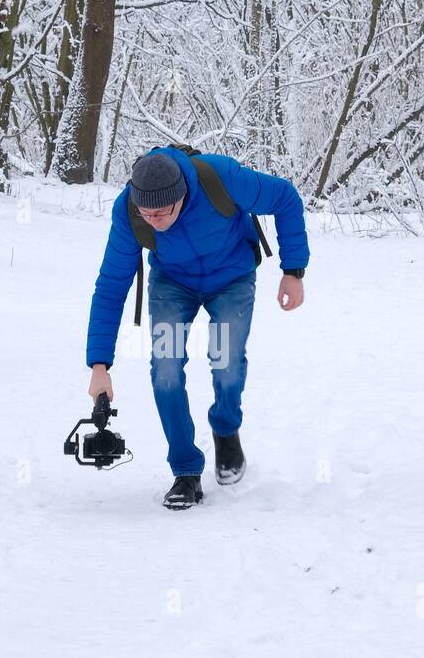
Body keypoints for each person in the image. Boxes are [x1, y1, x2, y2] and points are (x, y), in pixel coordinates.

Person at [85, 144, 310, 509]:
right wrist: (99, 366)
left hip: (231, 278)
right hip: (173, 285)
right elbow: (111, 286)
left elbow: (284, 197)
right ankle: (186, 471)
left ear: (181, 196)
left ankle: (225, 427)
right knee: (167, 371)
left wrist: (293, 270)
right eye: (147, 213)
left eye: (161, 212)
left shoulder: (219, 177)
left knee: (225, 359)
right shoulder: (129, 212)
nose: (153, 220)